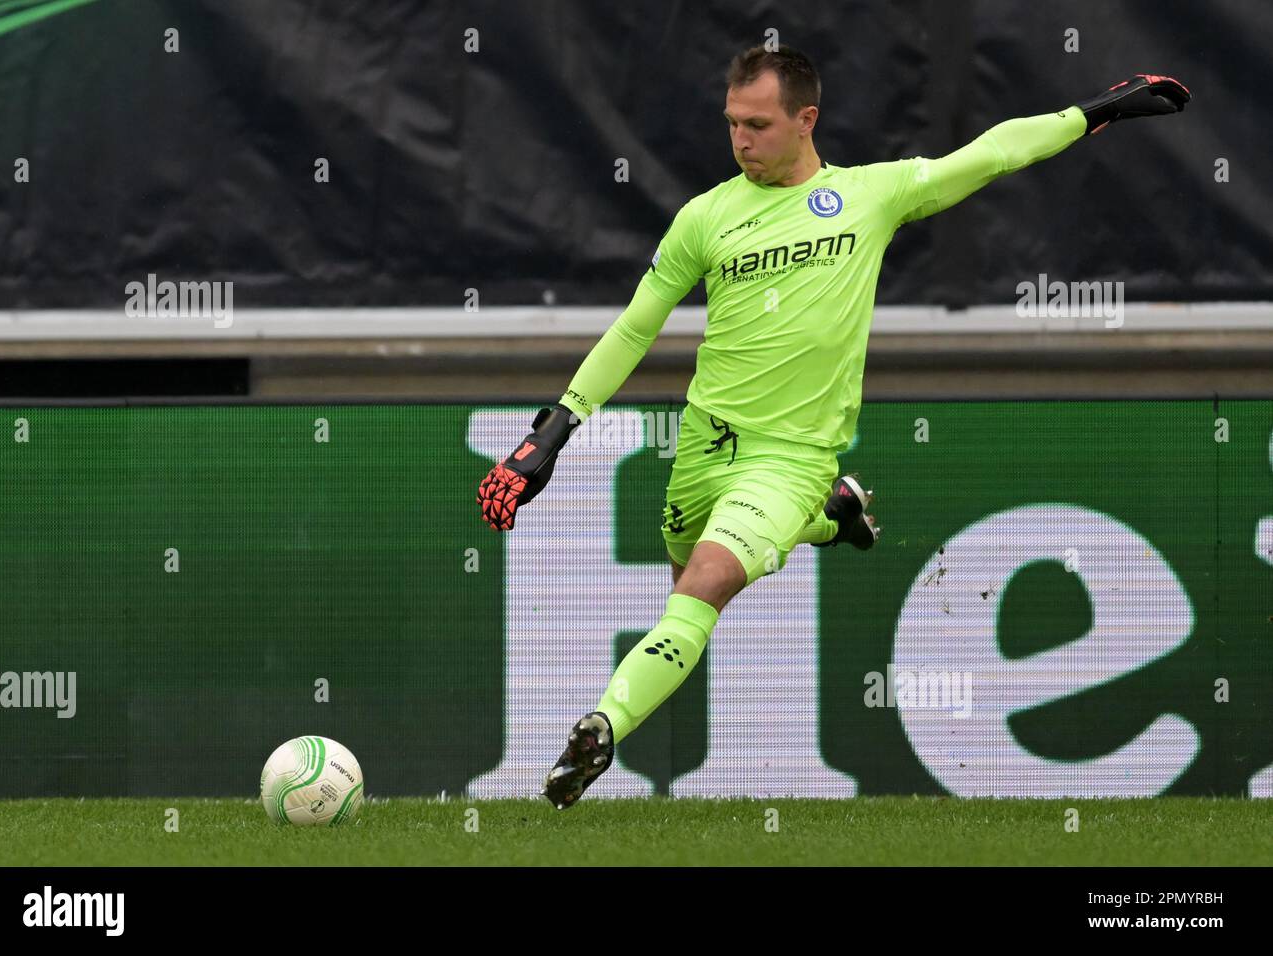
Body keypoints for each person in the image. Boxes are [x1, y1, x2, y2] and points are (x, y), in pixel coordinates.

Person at [476, 44, 1191, 809]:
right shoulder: (704, 218)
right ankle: (833, 519)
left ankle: (600, 728)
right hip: (704, 445)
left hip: (793, 455)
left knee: (706, 583)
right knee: (686, 570)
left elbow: (988, 155)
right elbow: (633, 330)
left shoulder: (870, 195)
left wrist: (1094, 112)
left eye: (758, 124)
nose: (741, 141)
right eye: (731, 125)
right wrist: (548, 435)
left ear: (805, 119)